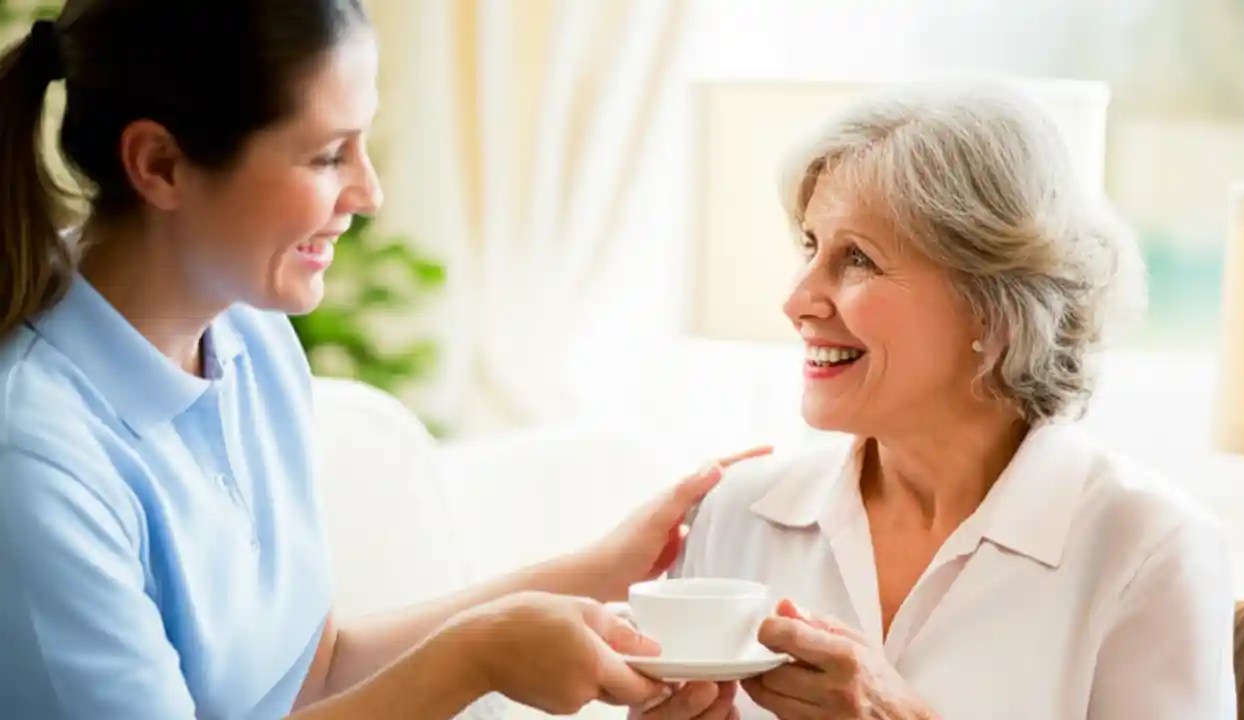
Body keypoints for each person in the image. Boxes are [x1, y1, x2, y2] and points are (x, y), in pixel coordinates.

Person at [0, 3, 769, 718]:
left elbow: (312, 676)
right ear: (160, 165)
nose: (368, 193)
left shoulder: (249, 337)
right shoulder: (34, 460)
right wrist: (476, 658)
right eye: (328, 155)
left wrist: (599, 571)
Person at [639, 85, 1237, 720]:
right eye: (811, 247)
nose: (797, 301)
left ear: (993, 304)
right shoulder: (735, 515)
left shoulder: (1149, 547)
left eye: (858, 258)